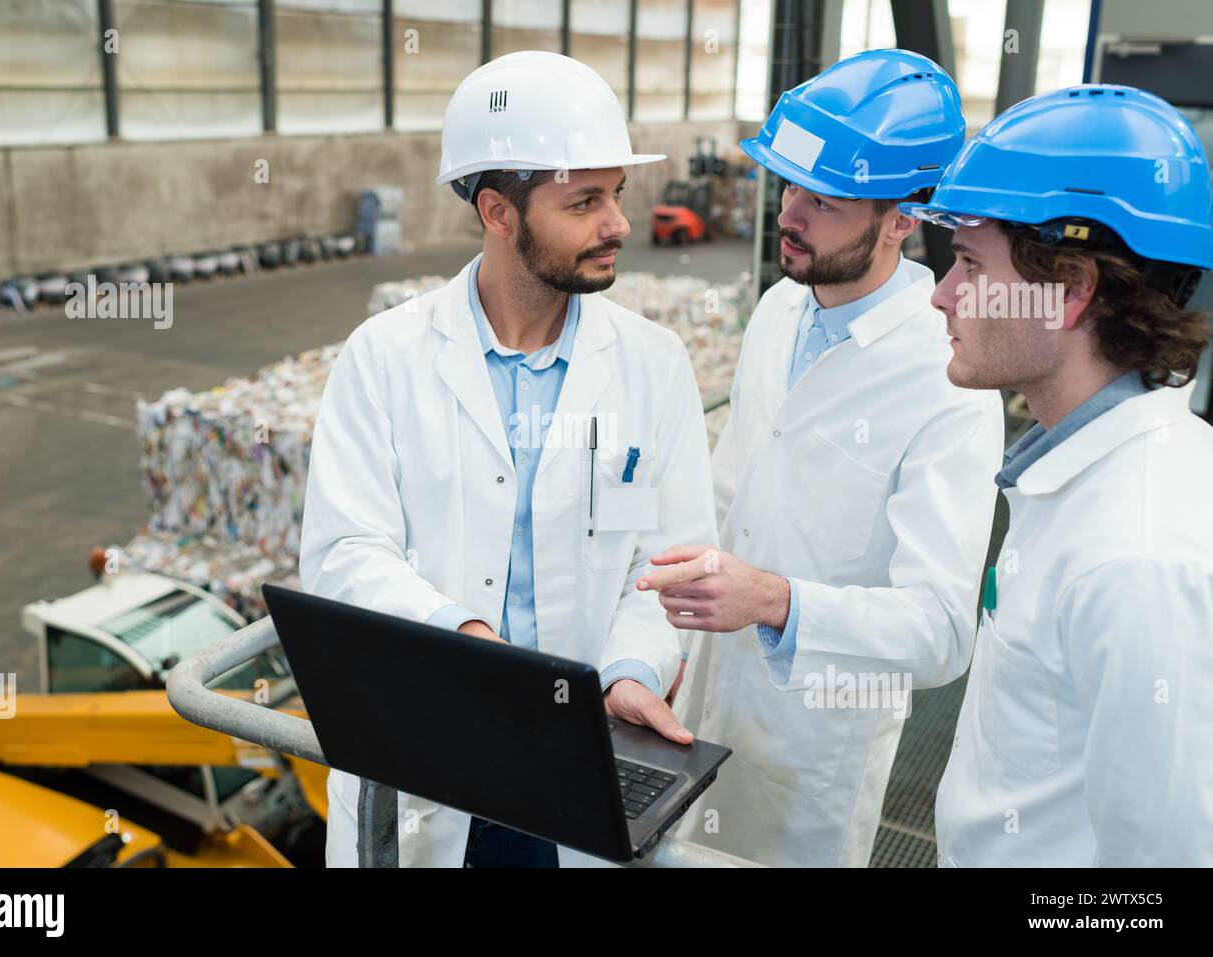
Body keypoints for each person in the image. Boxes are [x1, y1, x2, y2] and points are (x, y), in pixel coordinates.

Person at [299, 51, 717, 868]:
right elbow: (345, 552)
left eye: (617, 195)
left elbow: (667, 564)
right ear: (498, 211)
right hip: (430, 761)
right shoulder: (384, 358)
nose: (618, 224)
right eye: (584, 202)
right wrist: (463, 639)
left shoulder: (653, 364)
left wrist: (630, 671)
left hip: (581, 762)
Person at [637, 50, 1005, 866]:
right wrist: (664, 653)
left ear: (905, 218)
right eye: (789, 186)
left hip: (815, 746)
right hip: (700, 704)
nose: (789, 215)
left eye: (825, 200)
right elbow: (725, 501)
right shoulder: (778, 309)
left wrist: (773, 600)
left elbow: (943, 630)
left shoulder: (949, 375)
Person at [901, 83, 1213, 866]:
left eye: (969, 265)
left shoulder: (1139, 555)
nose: (941, 295)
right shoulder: (1078, 476)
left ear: (1070, 290)